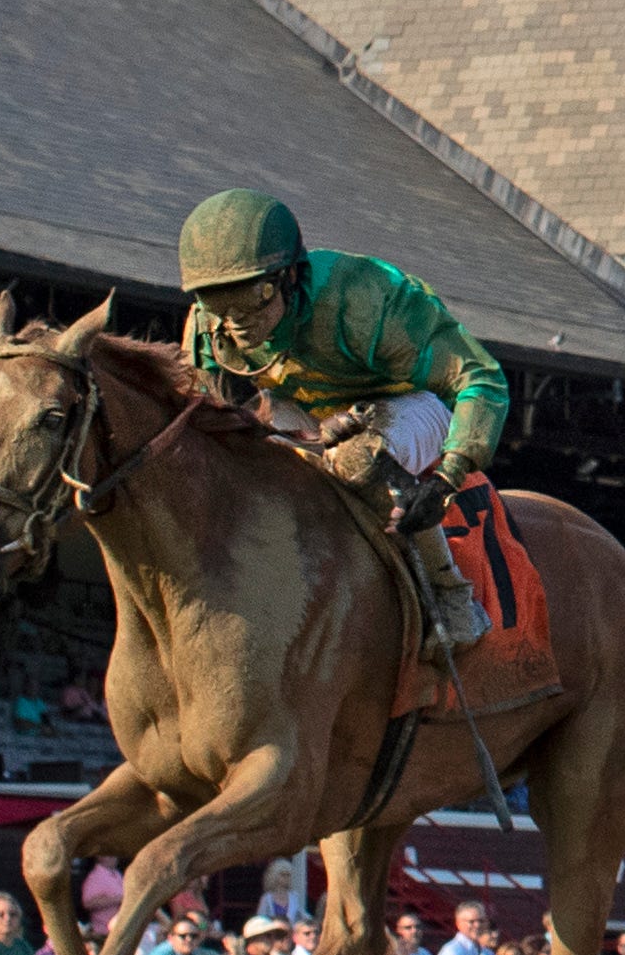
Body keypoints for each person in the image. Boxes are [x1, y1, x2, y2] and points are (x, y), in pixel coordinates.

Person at [175, 187, 510, 647]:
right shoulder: (207, 325)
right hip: (308, 408)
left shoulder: (365, 298)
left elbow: (481, 377)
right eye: (217, 304)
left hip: (414, 402)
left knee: (355, 457)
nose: (237, 322)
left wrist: (445, 481)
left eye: (255, 296)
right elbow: (195, 419)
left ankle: (451, 593)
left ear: (290, 276)